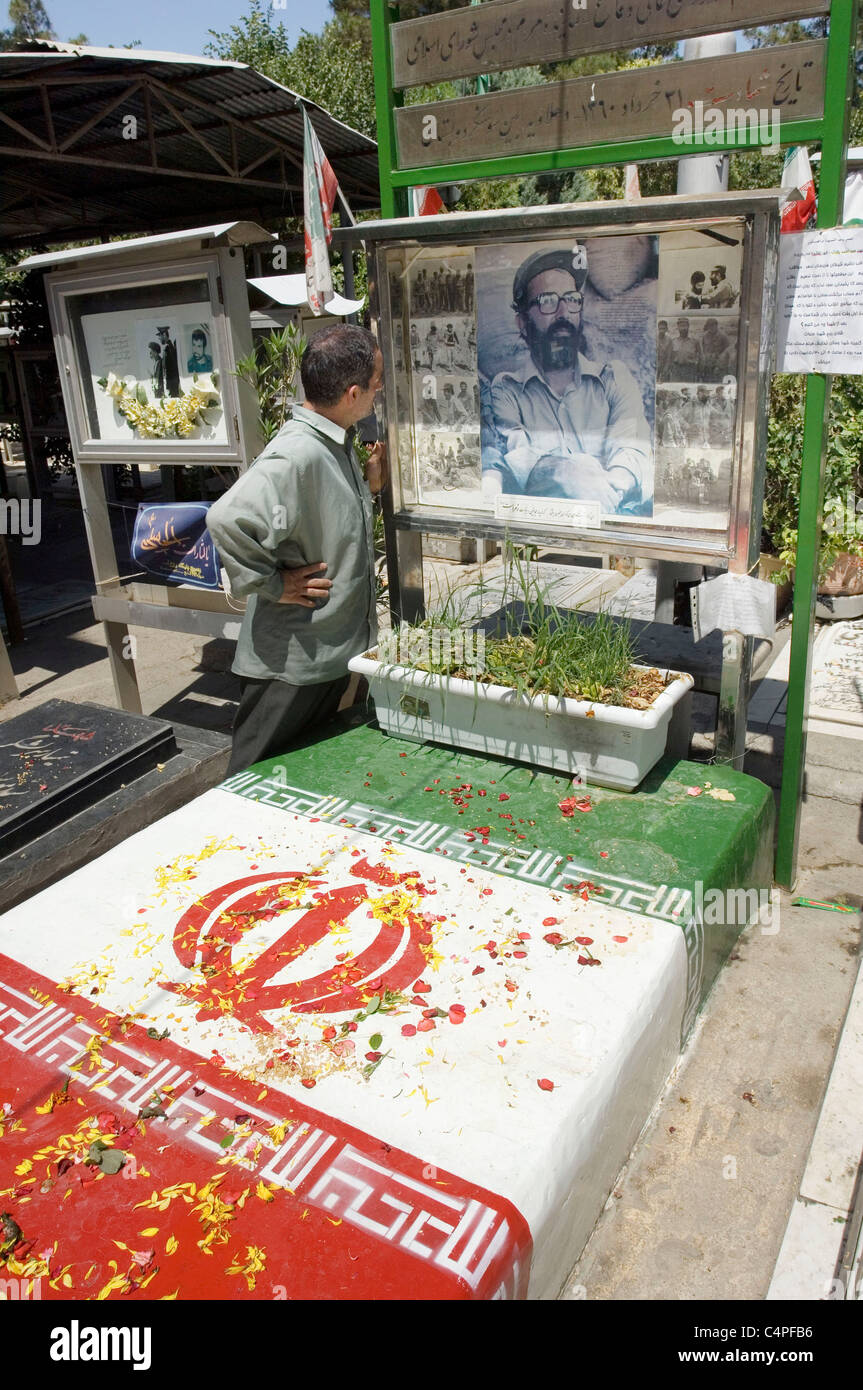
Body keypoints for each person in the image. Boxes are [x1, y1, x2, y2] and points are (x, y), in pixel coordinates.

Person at [206, 324, 386, 775]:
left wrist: (369, 485)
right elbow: (227, 519)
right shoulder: (298, 452)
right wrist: (272, 584)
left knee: (301, 776)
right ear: (352, 393)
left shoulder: (332, 439)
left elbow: (319, 515)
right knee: (251, 780)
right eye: (376, 382)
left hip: (322, 655)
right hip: (291, 666)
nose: (379, 390)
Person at [485, 245, 651, 511]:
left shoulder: (613, 379)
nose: (564, 314)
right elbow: (518, 459)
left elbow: (632, 450)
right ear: (522, 323)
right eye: (547, 301)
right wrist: (564, 472)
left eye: (572, 299)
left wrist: (608, 485)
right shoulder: (507, 391)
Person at [155, 326, 180, 397]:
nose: (159, 339)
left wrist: (168, 385)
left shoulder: (169, 348)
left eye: (160, 336)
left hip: (172, 384)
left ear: (164, 335)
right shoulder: (168, 347)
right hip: (170, 383)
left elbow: (171, 368)